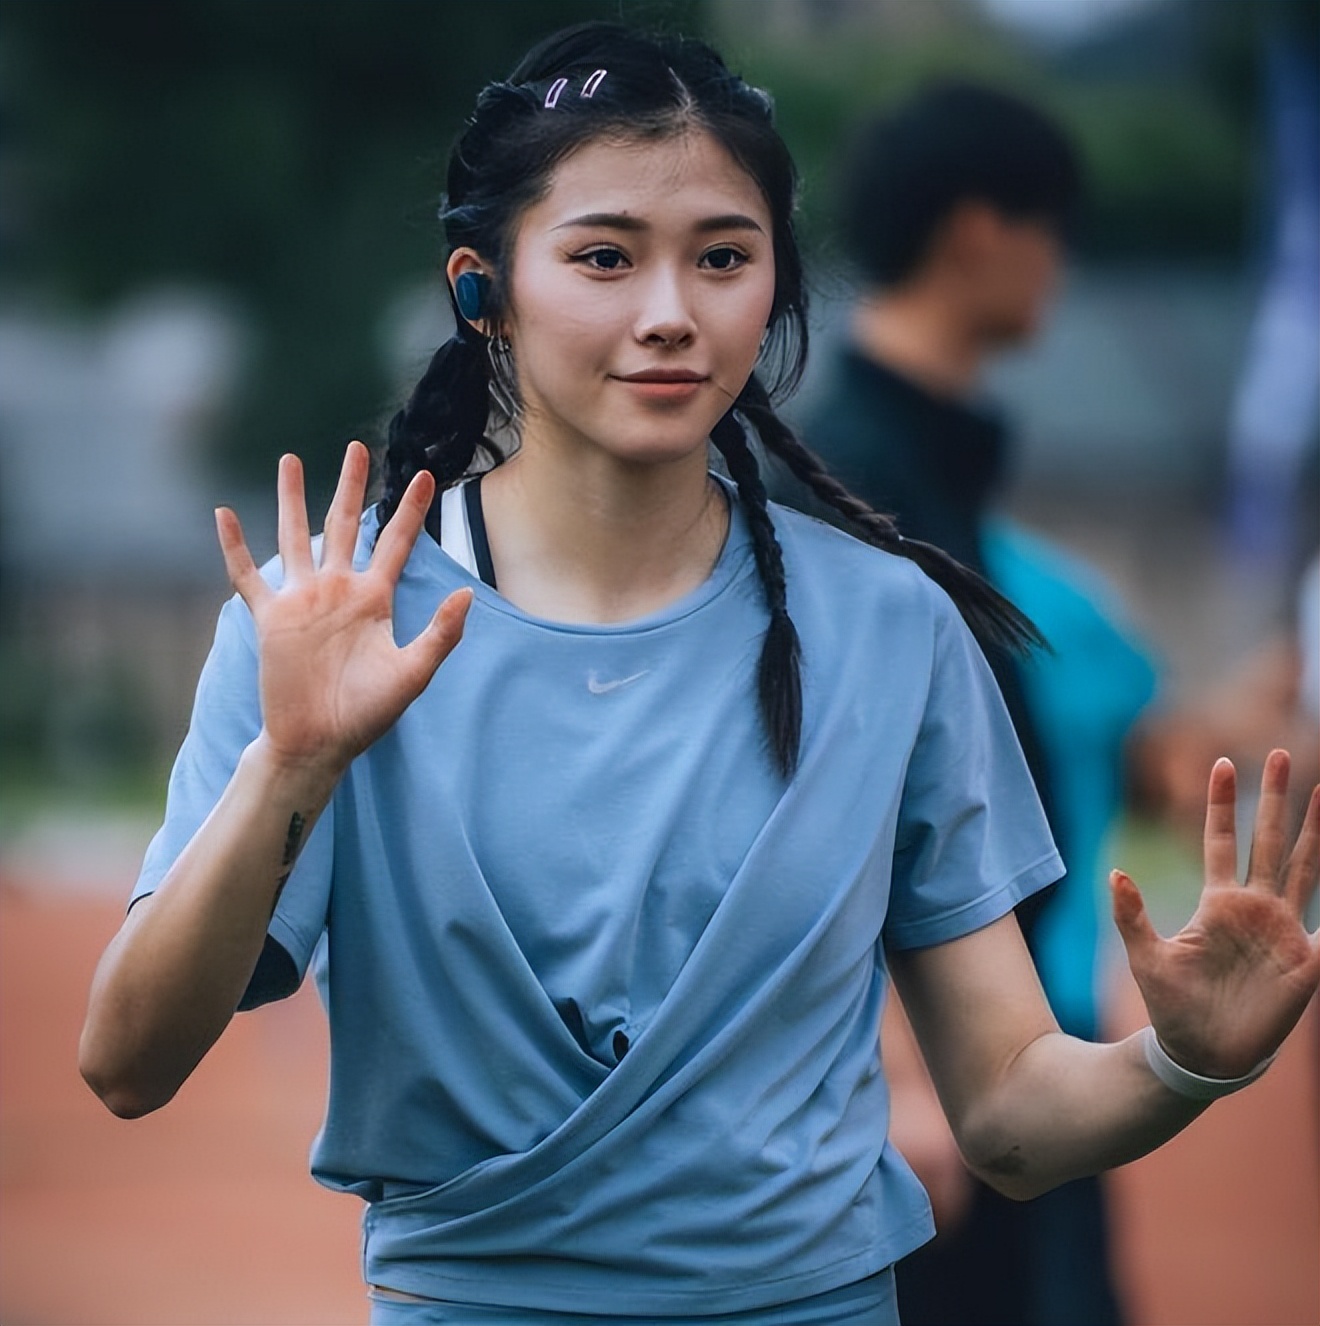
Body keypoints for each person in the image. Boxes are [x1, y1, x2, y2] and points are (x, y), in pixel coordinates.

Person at [78, 25, 1320, 1326]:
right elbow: (127, 1060)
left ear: (775, 285)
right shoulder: (328, 630)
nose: (671, 311)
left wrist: (1183, 1060)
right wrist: (292, 761)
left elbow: (1008, 1115)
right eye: (604, 257)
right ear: (482, 287)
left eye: (723, 257)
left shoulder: (890, 625)